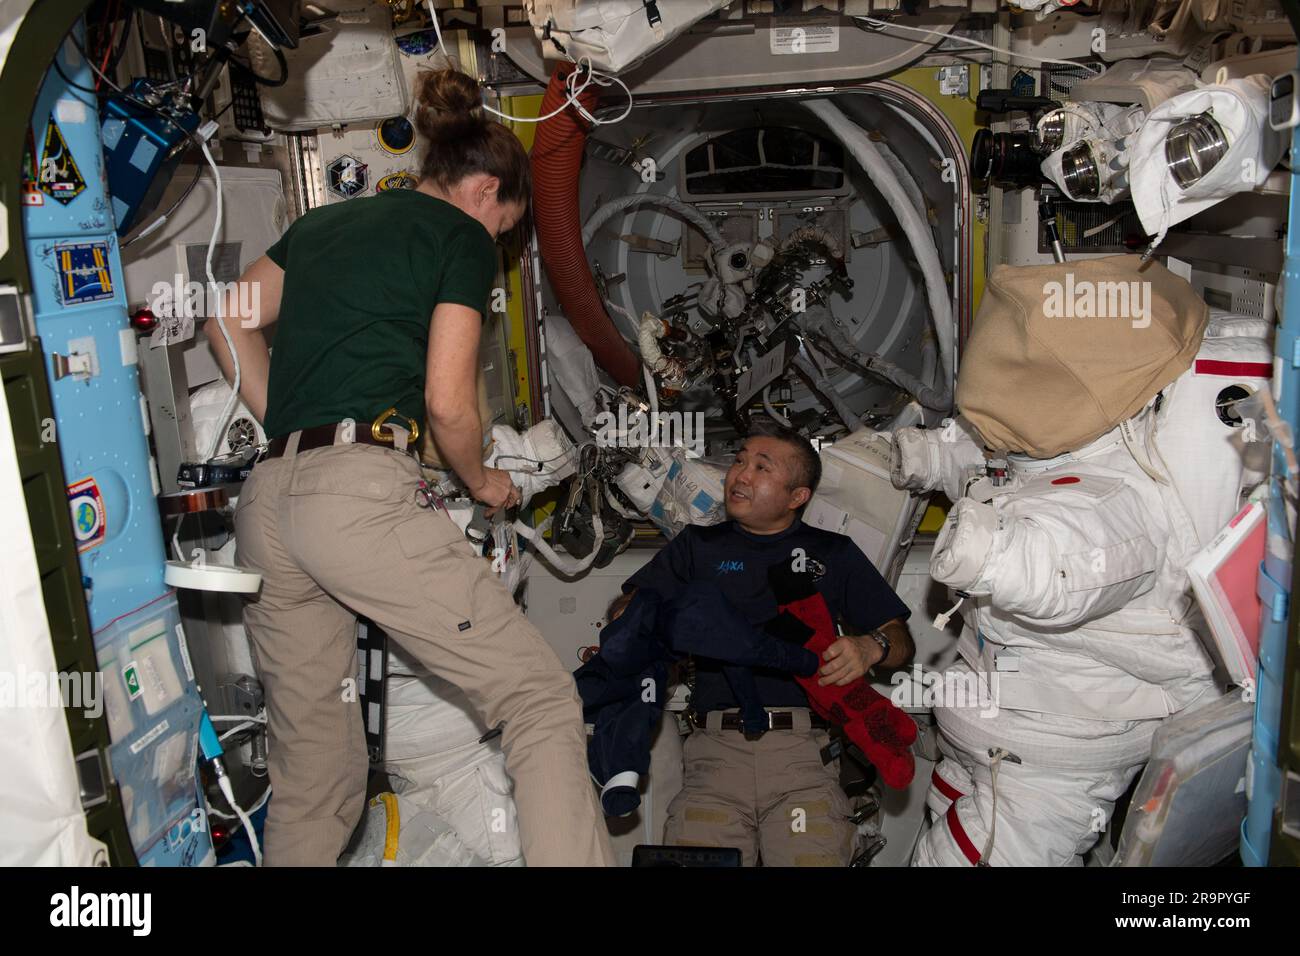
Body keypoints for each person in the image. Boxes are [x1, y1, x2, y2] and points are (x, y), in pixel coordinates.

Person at [206, 69, 614, 867]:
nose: (497, 244)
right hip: (358, 498)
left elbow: (229, 318)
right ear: (484, 191)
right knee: (536, 701)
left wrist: (290, 424)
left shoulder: (325, 223)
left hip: (267, 505)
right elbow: (449, 404)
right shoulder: (458, 237)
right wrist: (484, 482)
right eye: (506, 228)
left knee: (316, 773)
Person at [609, 423, 915, 866]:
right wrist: (640, 620)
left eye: (761, 467)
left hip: (802, 761)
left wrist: (871, 647)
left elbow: (902, 641)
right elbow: (627, 613)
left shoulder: (832, 553)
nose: (741, 474)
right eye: (739, 461)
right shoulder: (697, 547)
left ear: (797, 497)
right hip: (714, 759)